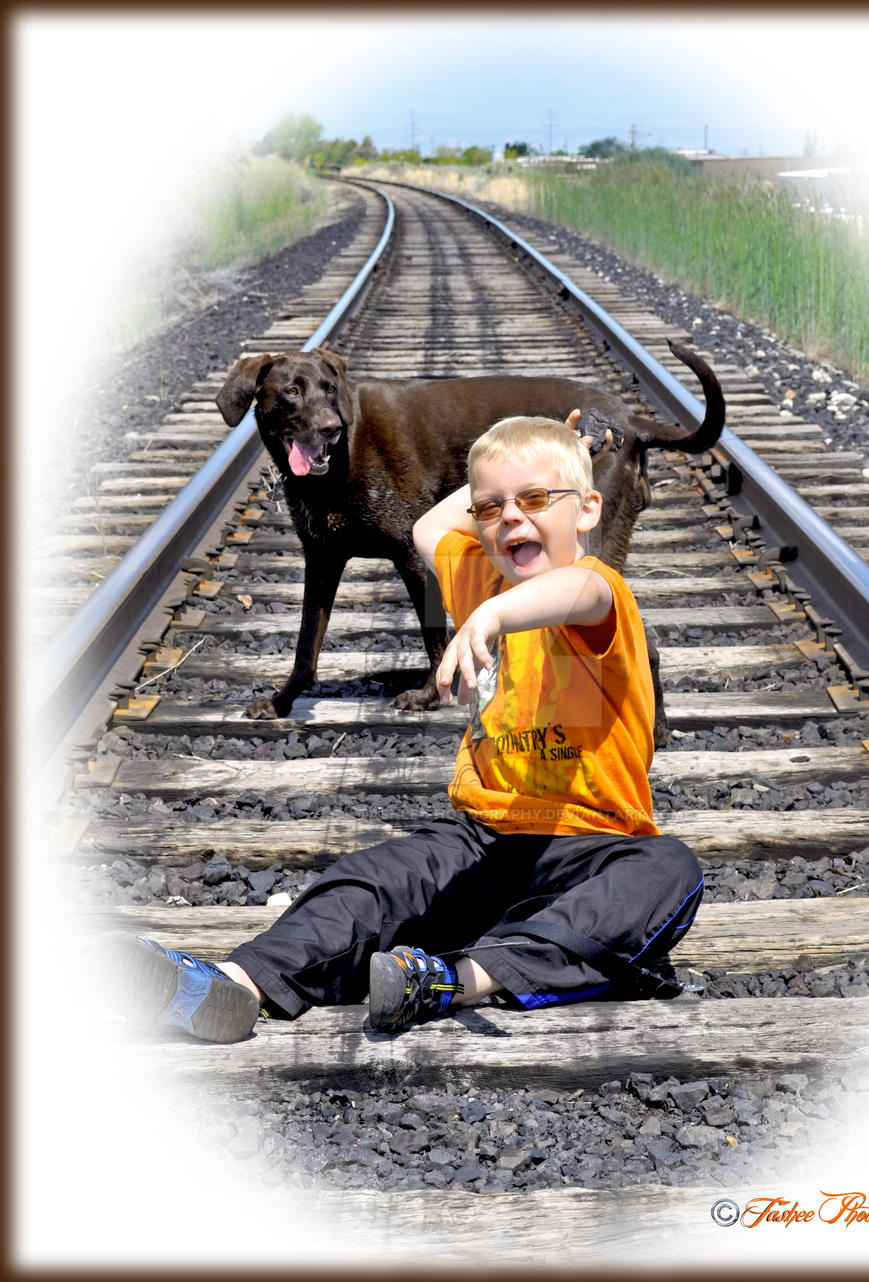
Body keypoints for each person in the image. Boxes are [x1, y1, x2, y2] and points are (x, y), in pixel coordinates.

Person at [101, 415, 703, 1043]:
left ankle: (452, 981)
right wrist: (539, 468)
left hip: (593, 850)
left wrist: (490, 616)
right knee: (372, 880)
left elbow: (580, 590)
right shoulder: (484, 577)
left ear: (588, 511)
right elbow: (428, 527)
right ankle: (229, 986)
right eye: (491, 508)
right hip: (485, 840)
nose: (511, 518)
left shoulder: (599, 591)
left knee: (669, 871)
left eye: (535, 500)